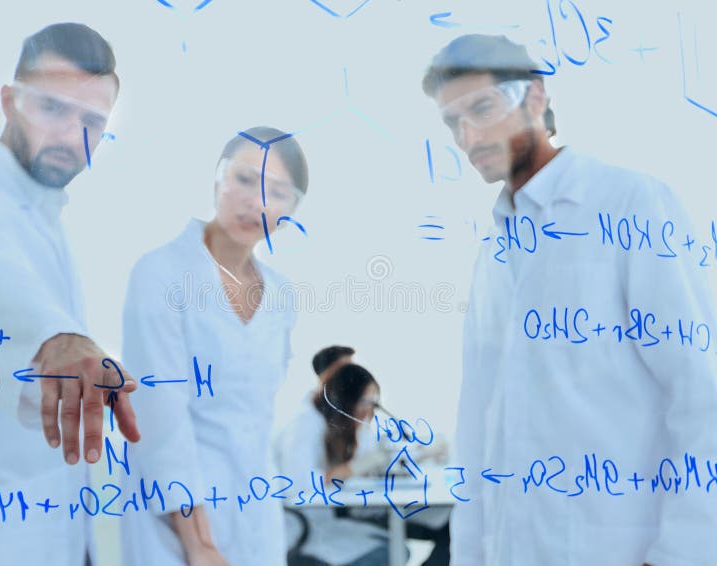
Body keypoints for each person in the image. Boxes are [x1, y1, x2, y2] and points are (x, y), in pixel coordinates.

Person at [422, 34, 717, 565]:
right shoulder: (493, 252)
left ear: (534, 96)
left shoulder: (631, 202)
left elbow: (702, 391)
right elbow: (478, 427)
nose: (469, 135)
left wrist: (681, 554)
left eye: (482, 108)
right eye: (452, 122)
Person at [0, 23, 139, 566]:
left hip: (57, 536)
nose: (71, 135)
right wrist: (56, 338)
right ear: (9, 102)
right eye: (53, 109)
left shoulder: (47, 220)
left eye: (91, 121)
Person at [120, 126, 307, 566]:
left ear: (292, 209)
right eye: (244, 180)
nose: (256, 202)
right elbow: (161, 417)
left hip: (257, 516)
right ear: (217, 180)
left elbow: (256, 417)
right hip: (173, 523)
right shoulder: (160, 274)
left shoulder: (281, 294)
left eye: (277, 192)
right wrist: (199, 544)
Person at [278, 363, 393, 566]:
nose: (368, 410)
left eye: (373, 403)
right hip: (302, 529)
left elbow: (365, 454)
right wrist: (350, 470)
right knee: (390, 552)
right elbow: (299, 486)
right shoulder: (305, 424)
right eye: (363, 402)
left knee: (393, 546)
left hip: (329, 521)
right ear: (344, 402)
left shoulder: (342, 427)